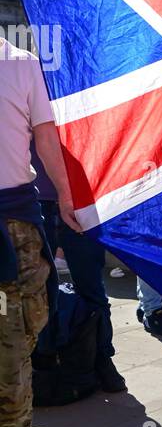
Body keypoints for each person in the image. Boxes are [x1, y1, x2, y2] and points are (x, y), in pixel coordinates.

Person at [0, 39, 80, 427]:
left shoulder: (20, 62)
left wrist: (67, 196)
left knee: (15, 343)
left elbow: (45, 136)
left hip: (15, 224)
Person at [33, 148, 127, 392]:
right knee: (38, 291)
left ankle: (103, 358)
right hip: (34, 201)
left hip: (82, 199)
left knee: (92, 288)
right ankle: (44, 356)